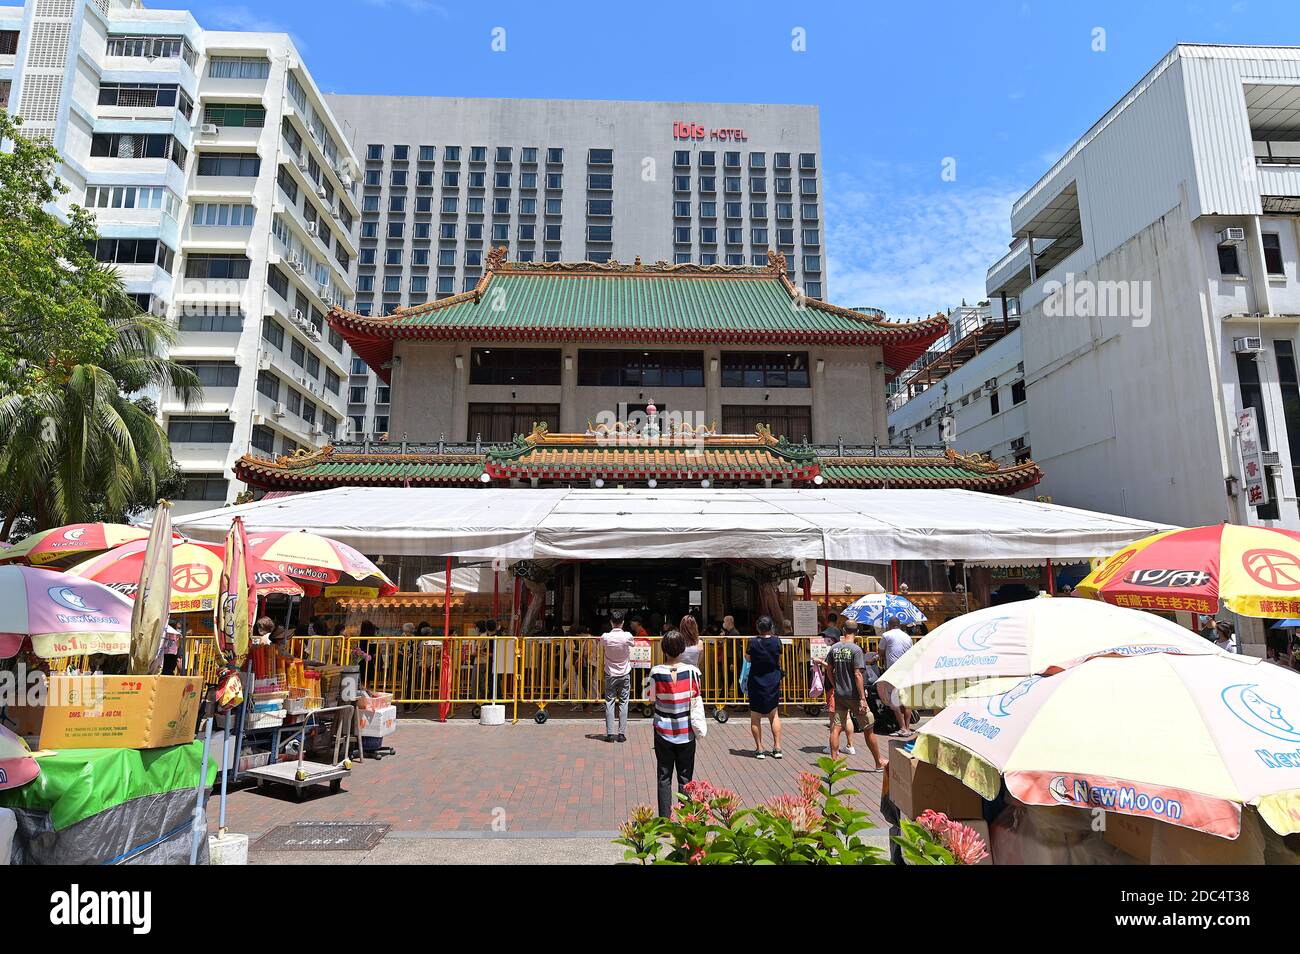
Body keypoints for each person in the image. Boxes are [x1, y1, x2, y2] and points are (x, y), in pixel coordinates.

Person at [647, 630, 702, 816]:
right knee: (685, 777)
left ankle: (664, 819)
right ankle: (686, 816)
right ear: (682, 649)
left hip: (663, 729)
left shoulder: (655, 672)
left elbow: (649, 698)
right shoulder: (694, 673)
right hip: (686, 731)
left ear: (664, 649)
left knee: (664, 776)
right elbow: (696, 697)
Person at [819, 624, 884, 770]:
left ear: (843, 631)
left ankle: (834, 762)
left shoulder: (835, 648)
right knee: (868, 727)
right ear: (857, 632)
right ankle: (878, 761)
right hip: (854, 695)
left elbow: (829, 669)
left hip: (840, 695)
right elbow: (857, 674)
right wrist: (862, 698)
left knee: (835, 728)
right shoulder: (856, 649)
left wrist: (836, 685)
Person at [745, 615, 784, 759]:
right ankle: (777, 747)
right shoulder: (776, 641)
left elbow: (748, 658)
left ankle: (759, 748)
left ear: (758, 628)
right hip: (773, 679)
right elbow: (779, 658)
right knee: (774, 715)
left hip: (756, 680)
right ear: (771, 627)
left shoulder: (752, 642)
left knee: (755, 716)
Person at [600, 610, 635, 743]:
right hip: (624, 673)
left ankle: (609, 734)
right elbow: (633, 644)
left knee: (609, 702)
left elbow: (601, 643)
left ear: (611, 622)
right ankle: (621, 733)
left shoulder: (605, 637)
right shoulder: (627, 636)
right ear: (623, 622)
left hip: (610, 673)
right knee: (624, 702)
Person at [878, 616, 915, 736]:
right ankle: (908, 728)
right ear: (899, 624)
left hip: (893, 671)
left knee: (894, 700)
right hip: (907, 670)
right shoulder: (907, 637)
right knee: (906, 700)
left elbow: (881, 653)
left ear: (889, 625)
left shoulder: (886, 635)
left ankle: (902, 728)